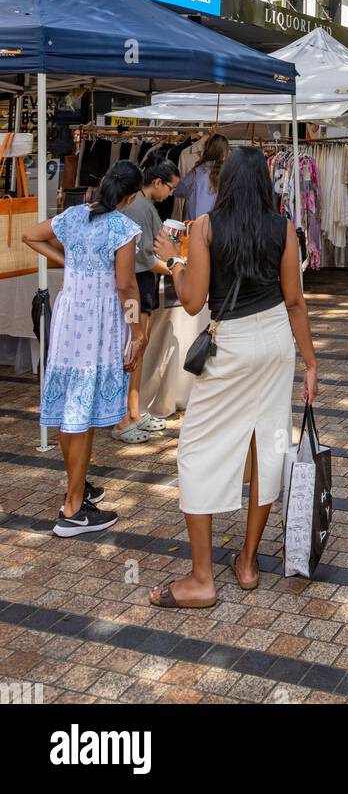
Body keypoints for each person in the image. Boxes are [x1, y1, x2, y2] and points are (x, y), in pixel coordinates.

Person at [150, 146, 317, 609]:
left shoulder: (204, 228)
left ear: (223, 184)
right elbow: (296, 301)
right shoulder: (282, 228)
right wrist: (312, 364)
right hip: (276, 344)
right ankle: (247, 561)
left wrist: (174, 261)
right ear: (265, 183)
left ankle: (202, 578)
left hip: (232, 347)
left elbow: (192, 302)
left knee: (198, 450)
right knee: (268, 446)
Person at [24, 161, 145, 537]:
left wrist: (71, 264)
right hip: (98, 319)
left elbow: (31, 236)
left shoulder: (74, 215)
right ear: (129, 196)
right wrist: (137, 331)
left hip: (69, 314)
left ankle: (76, 492)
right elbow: (126, 287)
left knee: (70, 408)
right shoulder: (122, 228)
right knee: (84, 409)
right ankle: (73, 507)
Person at [112, 160, 180, 443]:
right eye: (170, 187)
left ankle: (133, 411)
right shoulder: (140, 207)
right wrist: (175, 266)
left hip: (140, 281)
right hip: (138, 283)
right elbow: (144, 256)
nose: (171, 194)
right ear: (157, 182)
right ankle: (125, 416)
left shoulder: (141, 205)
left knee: (137, 346)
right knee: (135, 346)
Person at [173, 132, 229, 220]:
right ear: (225, 152)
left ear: (207, 148)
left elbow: (179, 191)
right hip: (217, 227)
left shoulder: (197, 172)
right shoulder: (229, 174)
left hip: (194, 226)